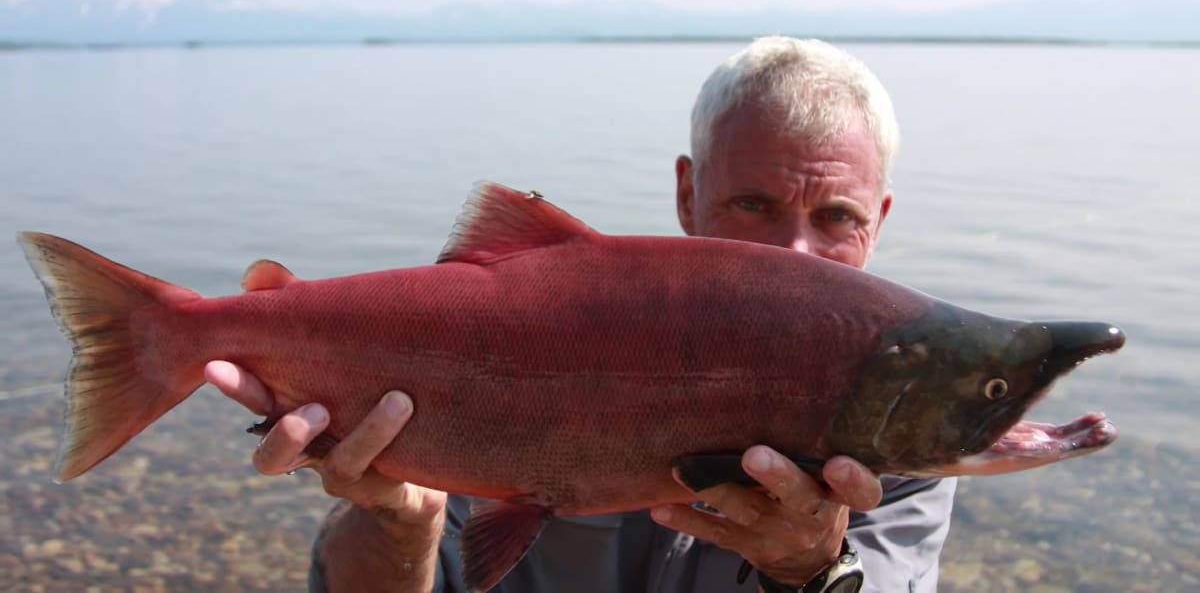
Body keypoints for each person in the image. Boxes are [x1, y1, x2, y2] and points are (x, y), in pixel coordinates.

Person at [206, 36, 956, 592]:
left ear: (880, 220)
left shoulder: (900, 423)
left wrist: (814, 573)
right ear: (687, 194)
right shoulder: (539, 343)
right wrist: (399, 521)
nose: (794, 254)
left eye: (835, 217)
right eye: (753, 204)